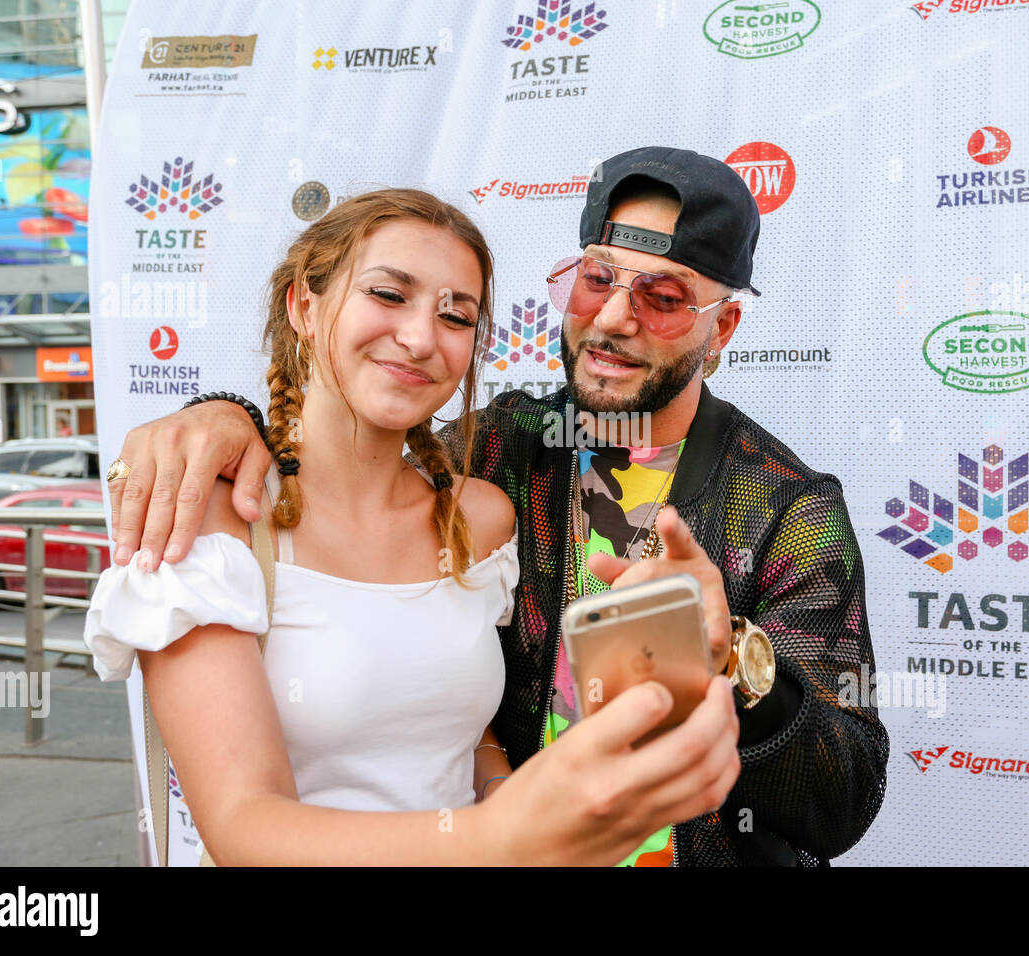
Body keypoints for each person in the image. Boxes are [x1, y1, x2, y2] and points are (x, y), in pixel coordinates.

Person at [106, 146, 887, 866]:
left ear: (723, 329)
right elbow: (347, 443)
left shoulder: (786, 506)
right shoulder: (500, 451)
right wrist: (218, 416)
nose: (616, 317)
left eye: (665, 296)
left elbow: (843, 801)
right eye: (598, 278)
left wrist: (735, 661)